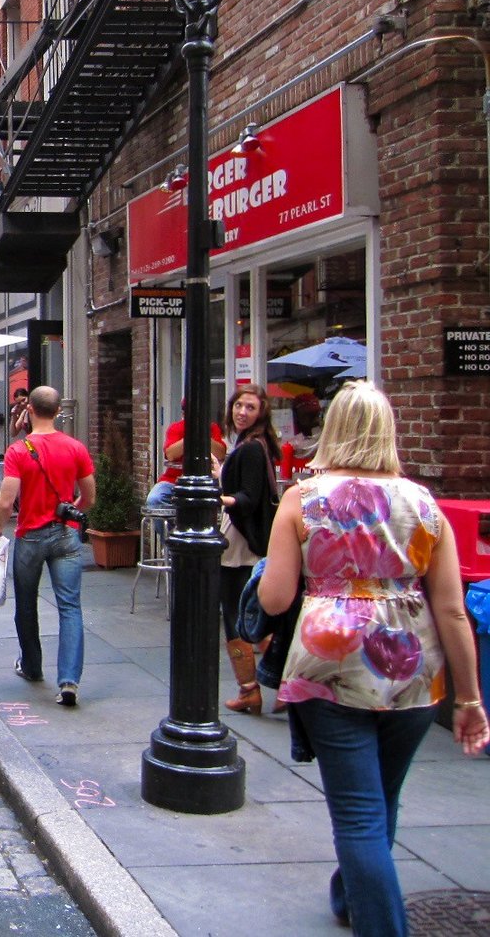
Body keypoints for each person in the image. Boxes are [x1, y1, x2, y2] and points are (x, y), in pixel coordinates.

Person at [259, 381, 488, 936]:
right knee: (381, 799)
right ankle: (351, 895)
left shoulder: (302, 499)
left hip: (328, 665)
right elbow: (453, 611)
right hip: (413, 669)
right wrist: (469, 699)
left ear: (333, 429)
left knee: (358, 814)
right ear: (388, 431)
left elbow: (275, 599)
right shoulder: (425, 504)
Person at [0, 386, 95, 707]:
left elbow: (5, 501)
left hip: (31, 535)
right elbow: (89, 497)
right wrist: (71, 509)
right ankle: (69, 681)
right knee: (70, 607)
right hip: (65, 534)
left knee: (26, 604)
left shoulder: (18, 451)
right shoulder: (75, 447)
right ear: (58, 411)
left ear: (30, 411)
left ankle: (32, 666)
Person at [219, 383, 281, 715]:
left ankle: (249, 690)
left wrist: (220, 497)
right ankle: (287, 684)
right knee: (254, 612)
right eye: (238, 406)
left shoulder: (251, 448)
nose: (242, 412)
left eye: (250, 408)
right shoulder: (253, 444)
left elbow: (249, 497)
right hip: (250, 540)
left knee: (236, 615)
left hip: (241, 541)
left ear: (261, 414)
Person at [146, 400, 228, 508]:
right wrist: (190, 435)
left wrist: (203, 435)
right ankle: (178, 518)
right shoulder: (175, 428)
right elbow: (170, 455)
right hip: (174, 480)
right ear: (183, 414)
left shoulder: (212, 428)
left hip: (205, 481)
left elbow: (221, 454)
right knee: (154, 499)